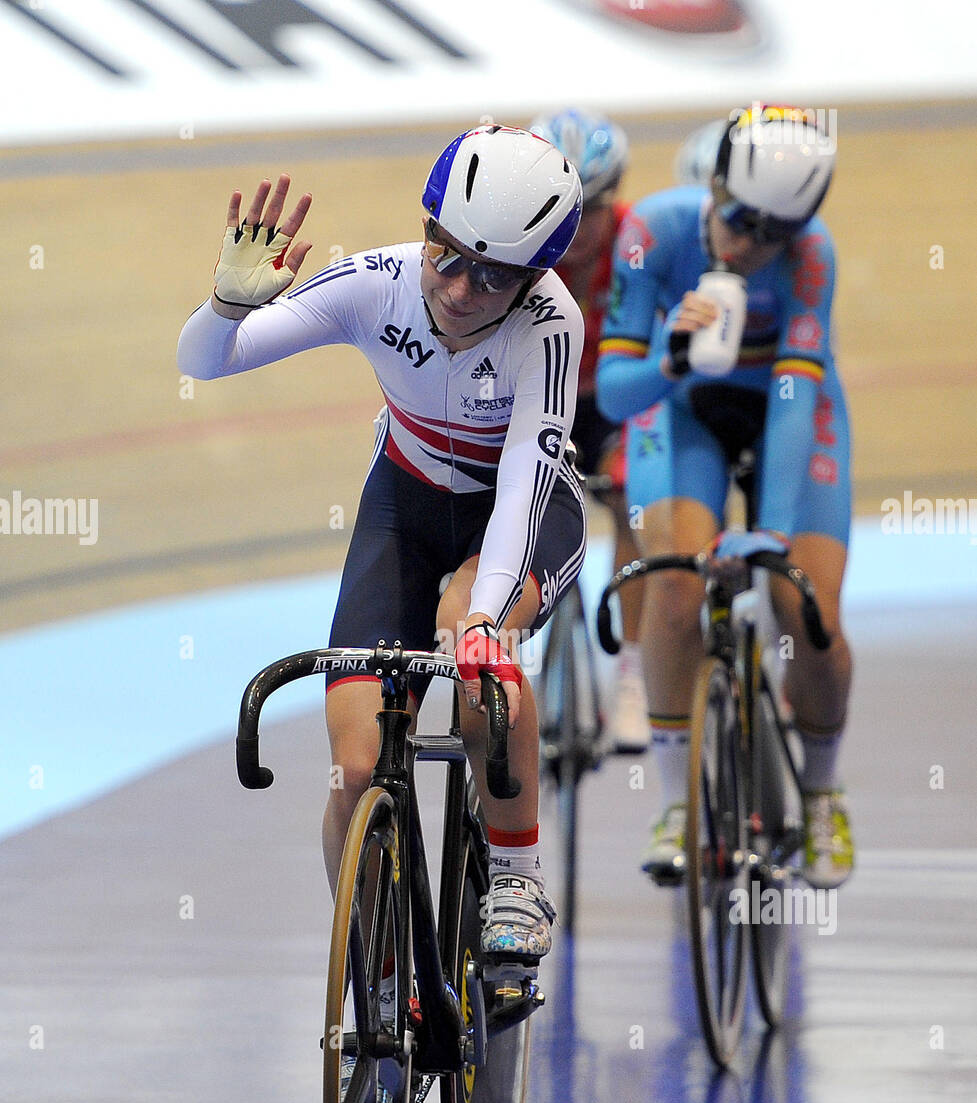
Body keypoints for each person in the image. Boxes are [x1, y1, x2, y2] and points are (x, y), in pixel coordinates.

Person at [178, 125, 586, 959]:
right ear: (427, 227)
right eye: (448, 254)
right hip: (400, 507)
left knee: (471, 641)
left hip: (519, 515)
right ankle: (377, 973)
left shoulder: (552, 325)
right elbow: (208, 363)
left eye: (494, 273)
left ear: (533, 277)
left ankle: (514, 874)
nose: (463, 287)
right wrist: (223, 307)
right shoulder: (376, 282)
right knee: (357, 768)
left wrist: (483, 619)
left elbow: (518, 486)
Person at [596, 104, 855, 890]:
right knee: (673, 581)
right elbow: (613, 393)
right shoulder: (652, 231)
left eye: (773, 234)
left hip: (788, 413)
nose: (751, 248)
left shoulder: (812, 257)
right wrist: (671, 361)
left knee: (802, 608)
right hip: (679, 412)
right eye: (740, 223)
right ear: (711, 186)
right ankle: (676, 806)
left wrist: (769, 531)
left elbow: (791, 396)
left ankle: (819, 791)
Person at [529, 108, 648, 753]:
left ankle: (631, 675)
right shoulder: (516, 240)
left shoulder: (639, 240)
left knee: (635, 500)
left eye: (593, 209)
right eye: (563, 211)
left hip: (613, 400)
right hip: (540, 397)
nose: (577, 231)